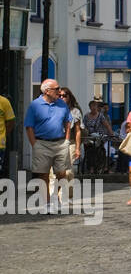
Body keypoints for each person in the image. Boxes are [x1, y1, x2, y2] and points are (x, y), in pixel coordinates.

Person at [24, 79, 72, 212]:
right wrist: (35, 145)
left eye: (59, 88)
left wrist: (67, 140)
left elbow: (68, 123)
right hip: (41, 143)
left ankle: (55, 196)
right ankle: (47, 203)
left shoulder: (62, 104)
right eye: (56, 89)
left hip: (60, 142)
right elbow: (29, 127)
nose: (60, 91)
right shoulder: (35, 105)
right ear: (47, 91)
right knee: (43, 175)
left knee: (62, 173)